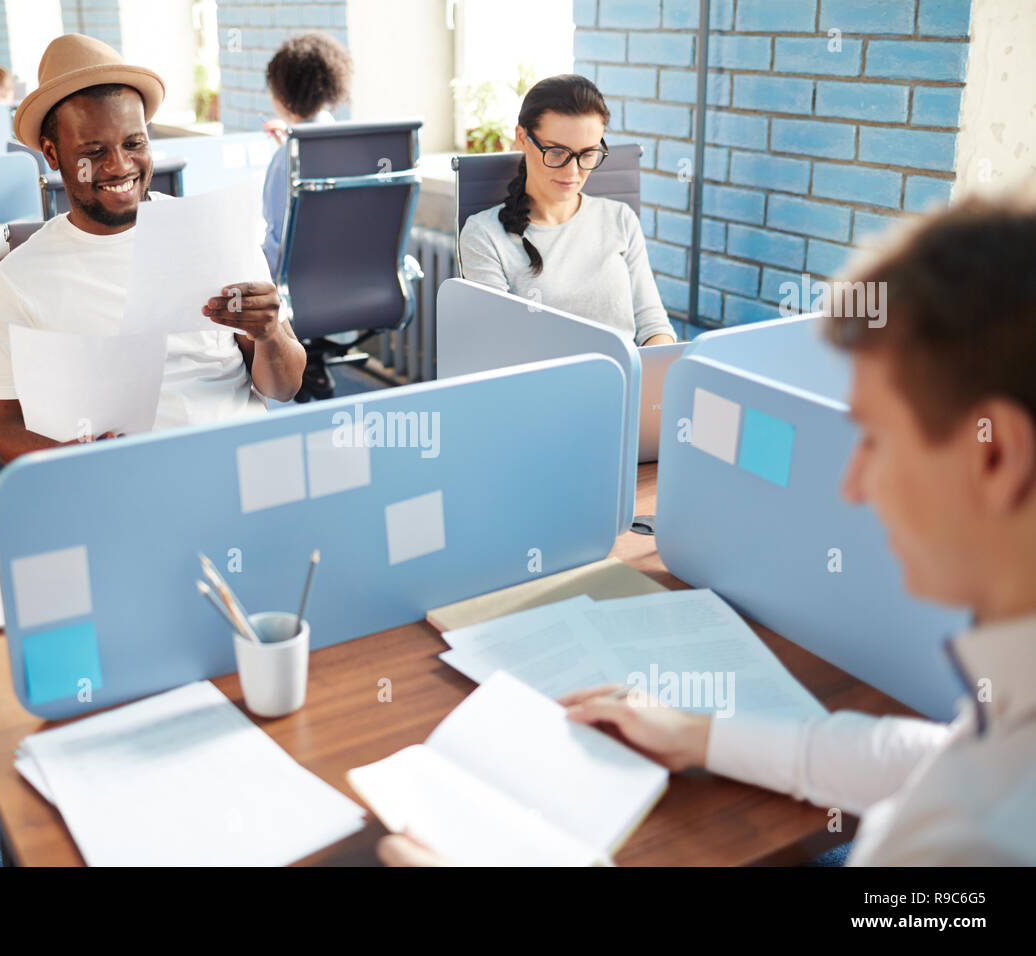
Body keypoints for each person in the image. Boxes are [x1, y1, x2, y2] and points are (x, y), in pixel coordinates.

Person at [379, 179, 1036, 866]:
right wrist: (702, 736)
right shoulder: (1004, 738)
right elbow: (941, 756)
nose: (850, 484)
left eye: (874, 440)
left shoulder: (985, 838)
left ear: (996, 457)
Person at [0, 34, 305, 464]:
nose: (120, 166)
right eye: (94, 152)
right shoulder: (19, 277)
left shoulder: (212, 232)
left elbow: (284, 387)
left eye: (134, 143)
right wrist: (73, 457)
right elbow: (6, 429)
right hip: (116, 480)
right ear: (51, 153)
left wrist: (267, 336)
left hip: (238, 464)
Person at [459, 74, 675, 348]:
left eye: (587, 154)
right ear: (522, 138)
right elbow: (499, 349)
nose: (573, 172)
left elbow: (652, 325)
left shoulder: (620, 219)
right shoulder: (485, 235)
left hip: (629, 383)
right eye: (557, 153)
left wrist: (657, 374)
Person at [259, 32, 353, 402]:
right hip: (354, 286)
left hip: (296, 297)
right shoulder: (355, 143)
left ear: (282, 96)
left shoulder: (287, 158)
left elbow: (276, 238)